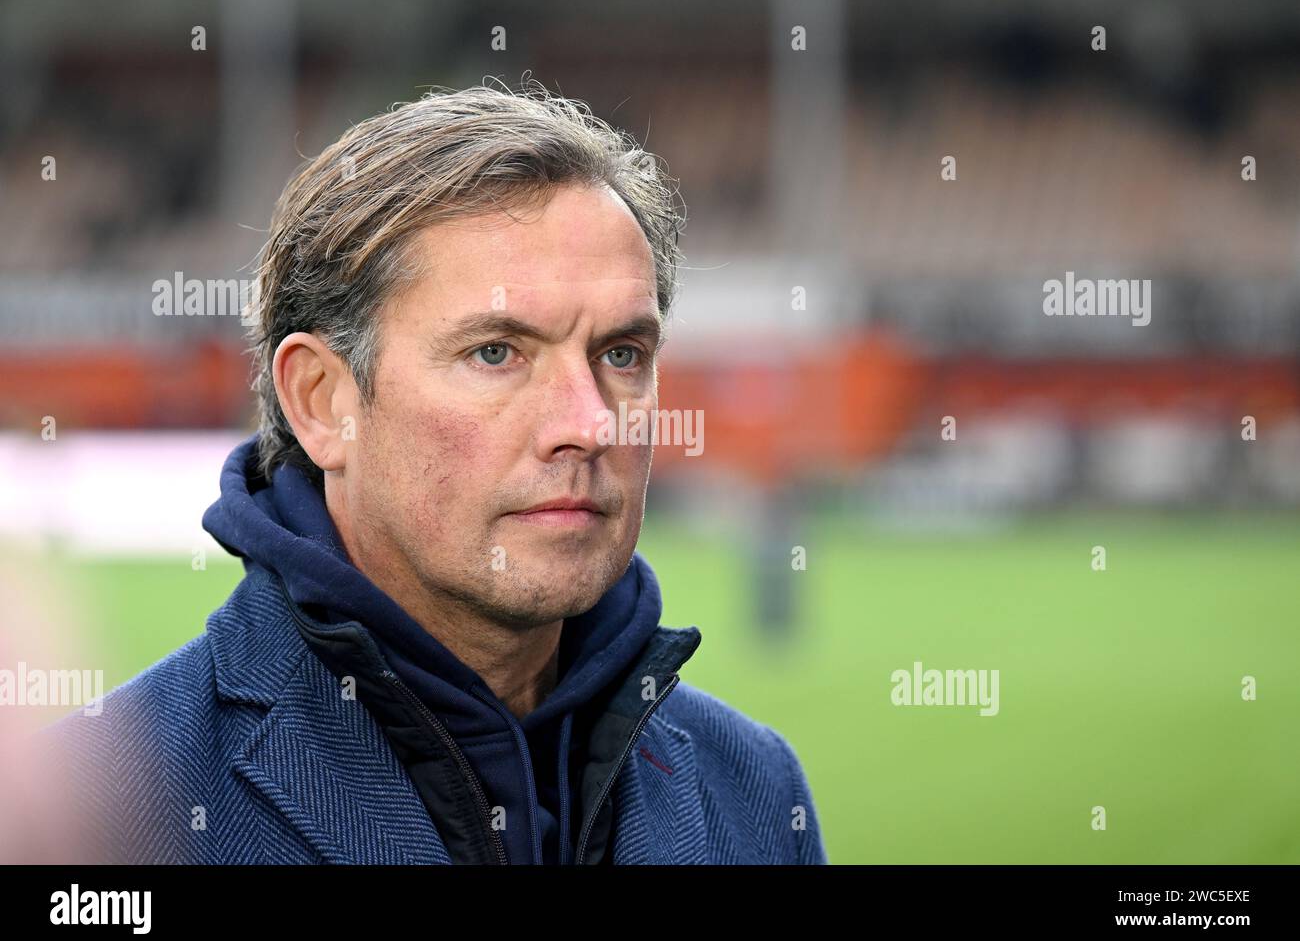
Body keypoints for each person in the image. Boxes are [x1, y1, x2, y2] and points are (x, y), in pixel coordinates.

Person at [44, 80, 827, 865]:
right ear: (321, 401)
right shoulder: (92, 824)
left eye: (620, 355)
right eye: (496, 353)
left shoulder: (756, 793)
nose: (589, 424)